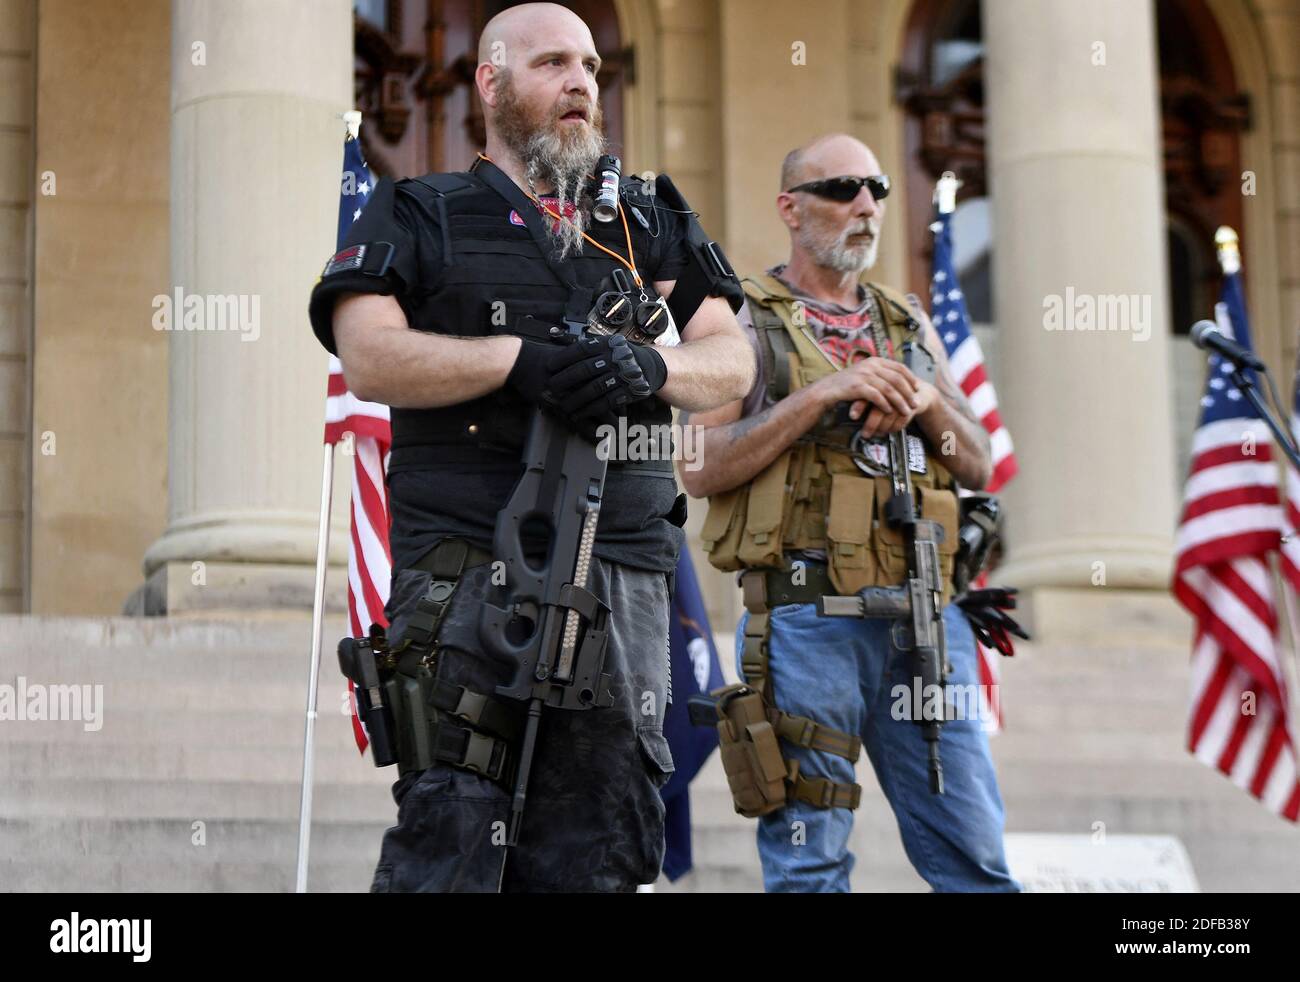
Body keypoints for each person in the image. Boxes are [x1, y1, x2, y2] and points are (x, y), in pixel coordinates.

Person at [308, 2, 753, 893]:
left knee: (601, 850)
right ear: (491, 81)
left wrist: (649, 364)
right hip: (467, 571)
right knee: (453, 844)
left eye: (591, 65)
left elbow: (733, 362)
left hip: (623, 575)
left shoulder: (646, 218)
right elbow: (367, 356)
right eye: (553, 63)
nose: (582, 81)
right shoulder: (418, 210)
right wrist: (516, 361)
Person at [680, 133, 1020, 893]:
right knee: (810, 861)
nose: (865, 205)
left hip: (927, 618)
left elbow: (978, 461)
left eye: (875, 189)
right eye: (840, 189)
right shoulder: (741, 319)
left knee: (975, 853)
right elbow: (699, 466)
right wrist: (824, 393)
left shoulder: (907, 321)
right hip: (809, 620)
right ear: (790, 210)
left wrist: (927, 399)